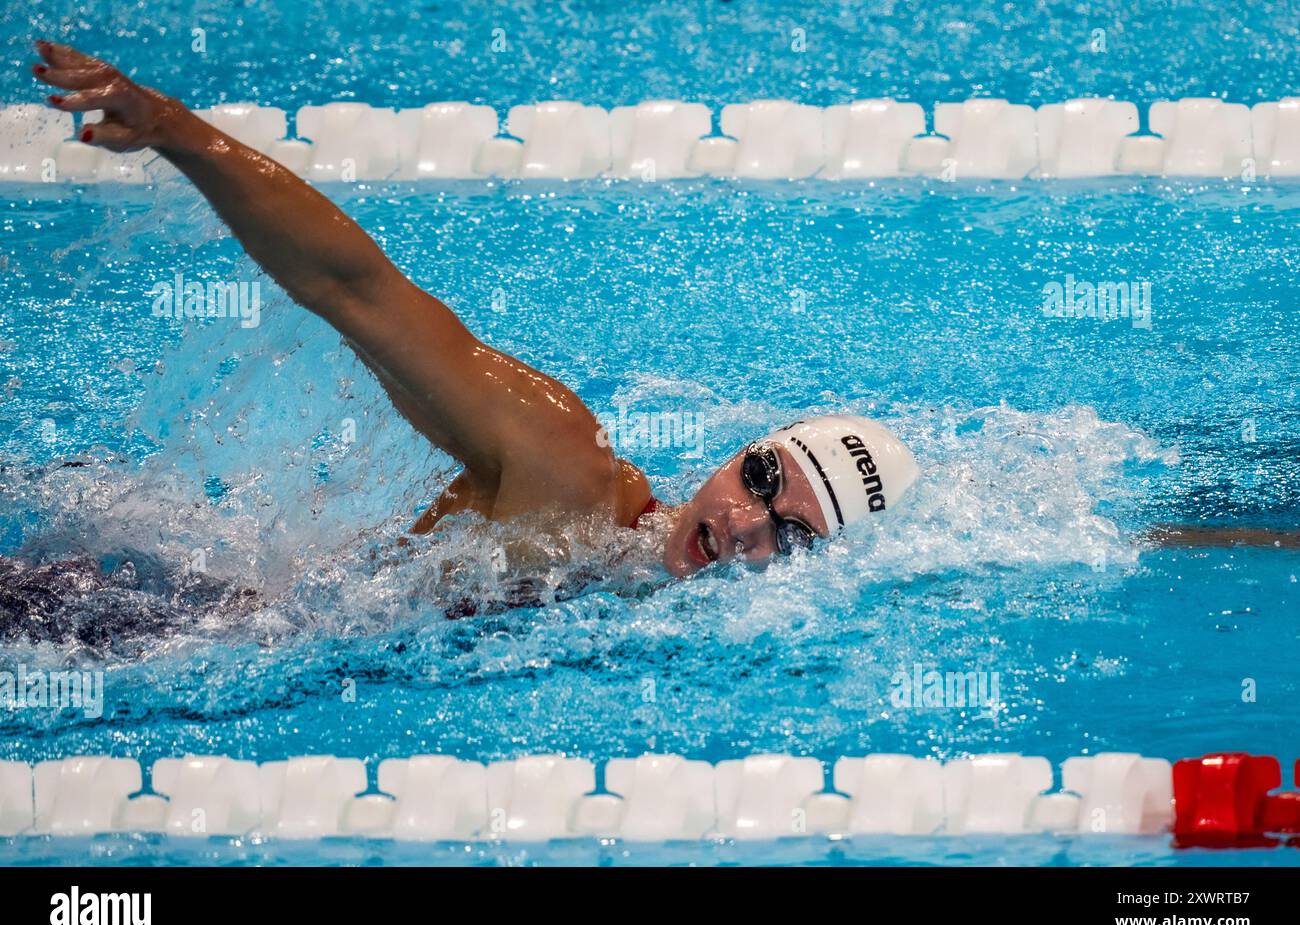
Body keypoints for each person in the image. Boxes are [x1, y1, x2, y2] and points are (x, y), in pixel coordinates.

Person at [33, 41, 922, 581]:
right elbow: (357, 291)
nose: (741, 525)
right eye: (761, 480)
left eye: (793, 538)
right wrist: (175, 130)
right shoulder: (566, 474)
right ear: (742, 449)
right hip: (145, 627)